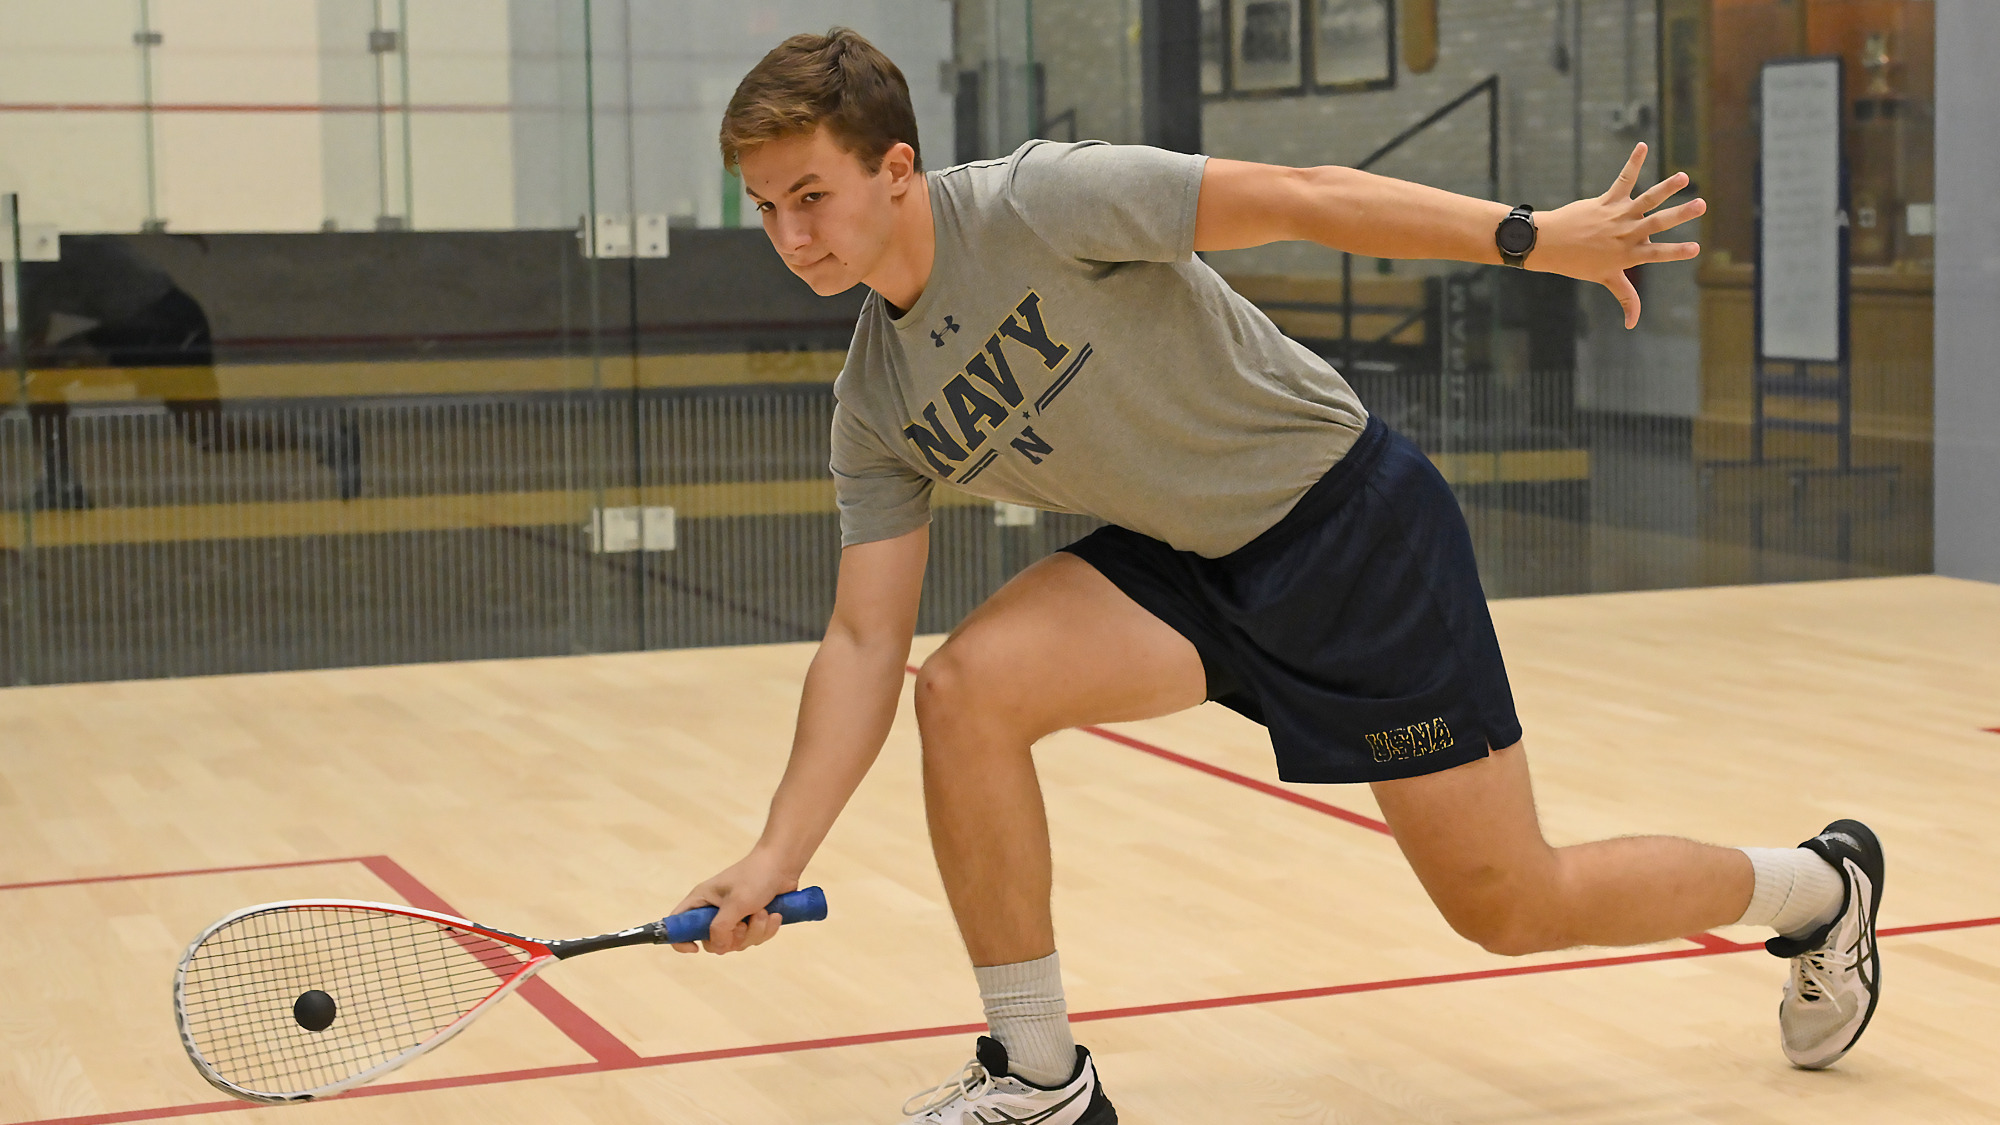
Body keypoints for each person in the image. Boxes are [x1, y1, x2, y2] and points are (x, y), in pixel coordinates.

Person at [670, 28, 1884, 1125]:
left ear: (894, 168)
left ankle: (1815, 889)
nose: (790, 237)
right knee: (962, 691)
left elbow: (1306, 196)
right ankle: (1039, 1076)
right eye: (766, 207)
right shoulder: (875, 403)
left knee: (1510, 905)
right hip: (1184, 561)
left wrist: (1528, 237)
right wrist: (778, 852)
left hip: (1349, 531)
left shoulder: (1040, 201)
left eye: (810, 196)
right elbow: (864, 641)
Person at [19, 236, 361, 509]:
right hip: (171, 316)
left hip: (158, 320)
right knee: (209, 435)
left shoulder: (32, 265)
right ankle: (327, 439)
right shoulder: (34, 253)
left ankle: (61, 483)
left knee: (44, 375)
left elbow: (28, 359)